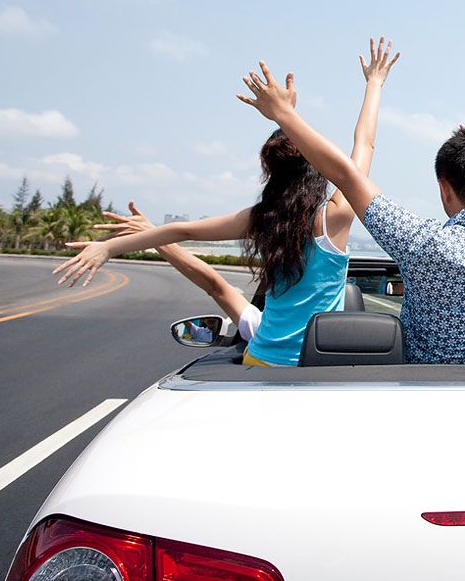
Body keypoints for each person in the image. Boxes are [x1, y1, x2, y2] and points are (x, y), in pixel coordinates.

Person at [235, 56, 465, 365]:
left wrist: (285, 115)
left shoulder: (422, 242)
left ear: (443, 189)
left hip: (420, 399)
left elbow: (346, 174)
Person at [53, 37, 401, 367]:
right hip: (310, 364)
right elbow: (364, 144)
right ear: (319, 172)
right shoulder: (334, 218)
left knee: (228, 294)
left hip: (261, 357)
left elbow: (182, 230)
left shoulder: (262, 219)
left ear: (270, 173)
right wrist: (375, 83)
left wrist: (110, 249)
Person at [93, 201, 263, 341]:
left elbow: (215, 286)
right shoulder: (260, 329)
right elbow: (215, 286)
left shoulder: (263, 331)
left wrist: (109, 247)